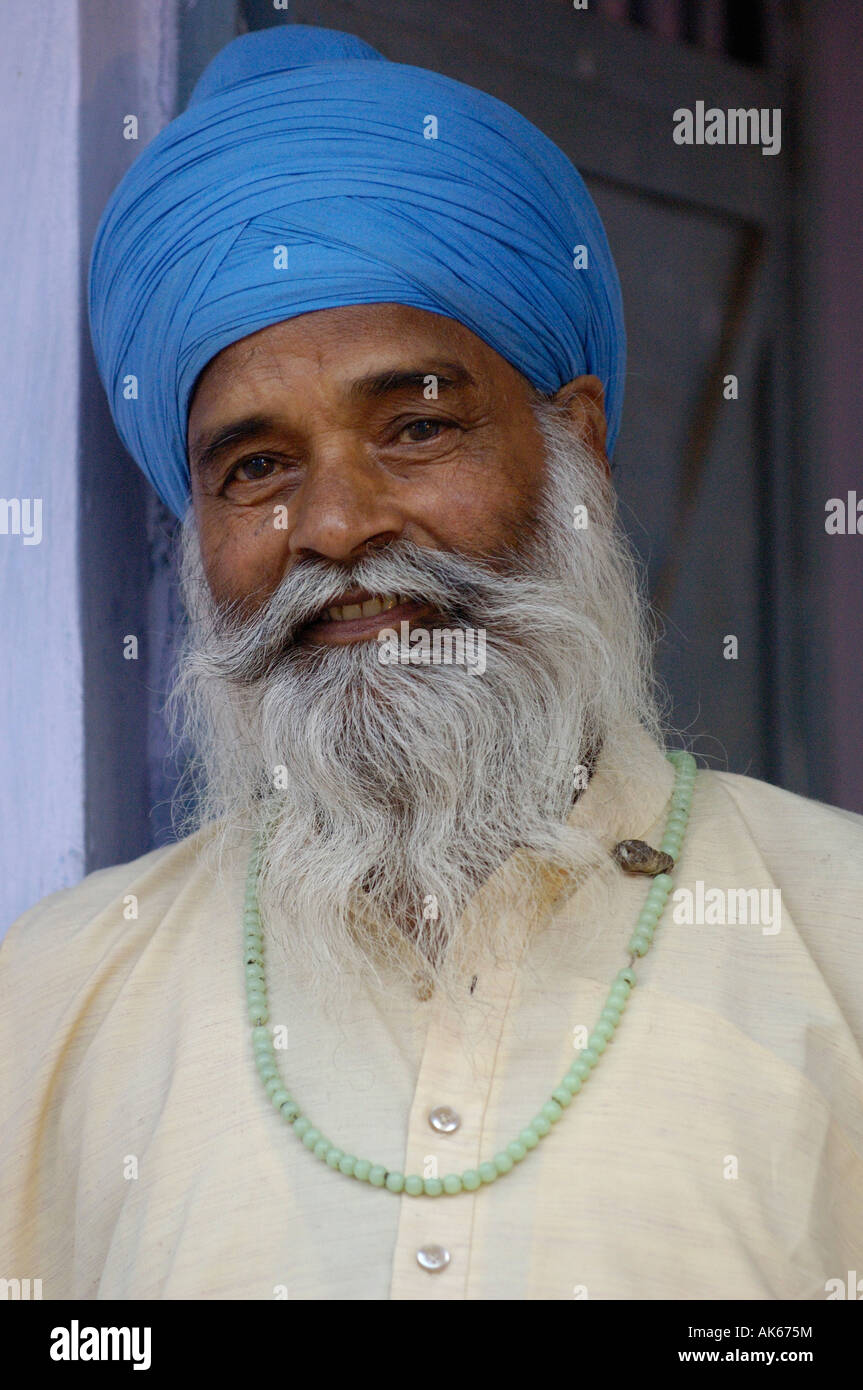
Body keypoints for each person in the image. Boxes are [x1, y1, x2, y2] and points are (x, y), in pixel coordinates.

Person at [1, 24, 861, 1302]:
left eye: (414, 426)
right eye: (256, 466)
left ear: (573, 449)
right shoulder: (55, 1001)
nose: (336, 527)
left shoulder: (834, 930)